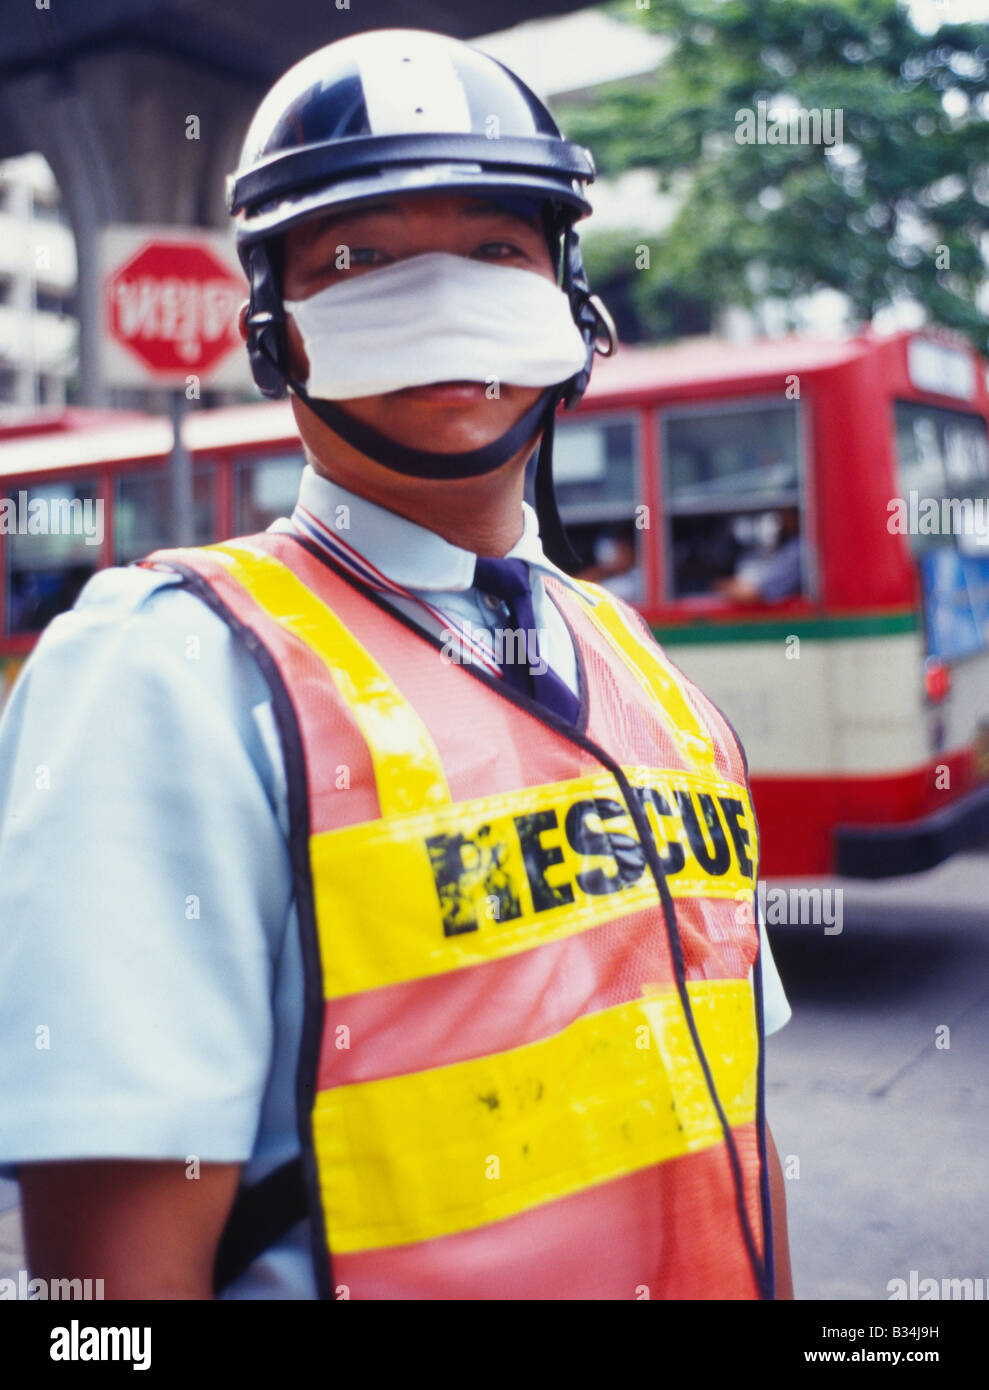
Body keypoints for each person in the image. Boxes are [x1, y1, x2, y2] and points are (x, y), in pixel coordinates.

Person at [0, 29, 793, 1300]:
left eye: (493, 251)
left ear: (570, 305)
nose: (436, 301)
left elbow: (732, 1141)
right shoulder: (159, 677)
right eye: (358, 259)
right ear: (274, 331)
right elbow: (103, 1311)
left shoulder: (649, 676)